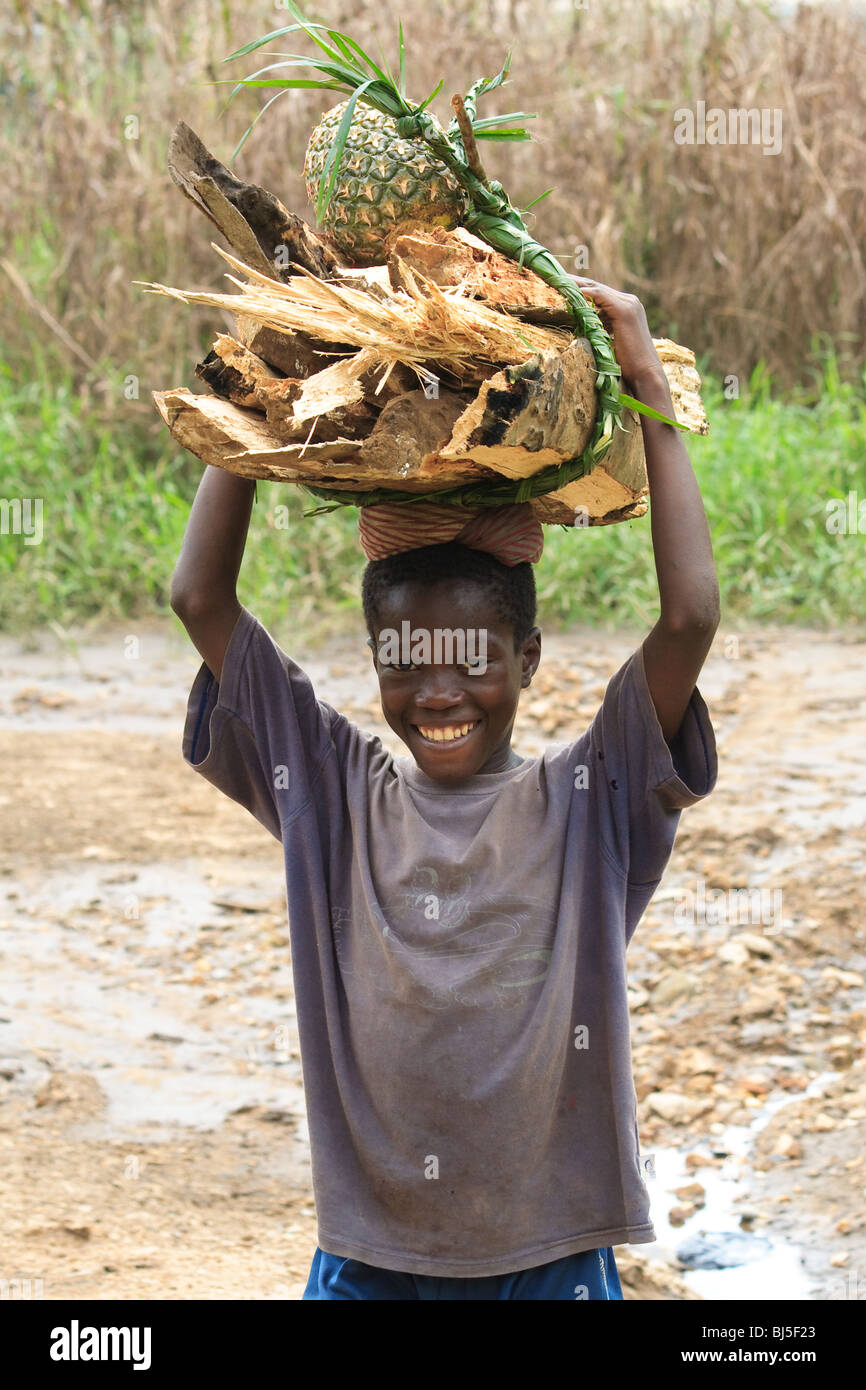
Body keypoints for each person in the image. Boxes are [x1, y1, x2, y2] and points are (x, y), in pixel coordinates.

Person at [170, 280, 720, 1300]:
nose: (438, 689)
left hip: (547, 1255)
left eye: (471, 655)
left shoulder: (590, 797)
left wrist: (643, 386)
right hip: (370, 1255)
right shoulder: (328, 790)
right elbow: (199, 598)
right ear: (375, 659)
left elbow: (685, 619)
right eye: (407, 657)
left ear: (528, 656)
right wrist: (256, 405)